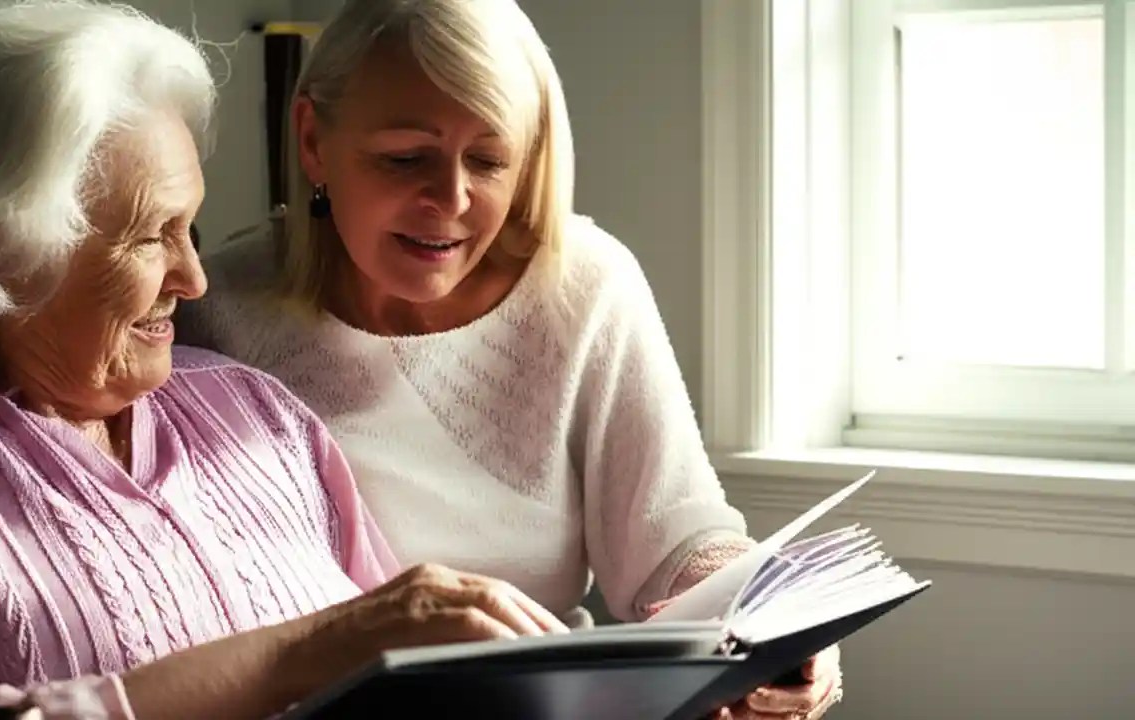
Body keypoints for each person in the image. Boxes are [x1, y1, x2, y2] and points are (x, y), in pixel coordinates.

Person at [0, 3, 567, 719]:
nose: (193, 279)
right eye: (148, 237)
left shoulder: (259, 412)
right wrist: (292, 656)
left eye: (188, 227)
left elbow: (406, 663)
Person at [176, 0, 844, 718]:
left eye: (490, 160)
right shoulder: (212, 308)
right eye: (406, 158)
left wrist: (766, 619)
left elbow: (675, 537)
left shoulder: (584, 286)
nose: (452, 199)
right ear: (313, 139)